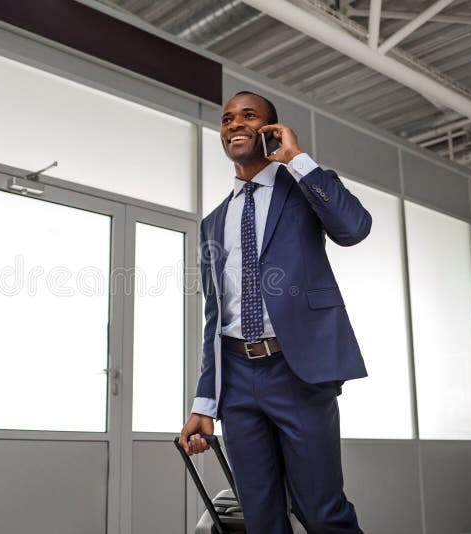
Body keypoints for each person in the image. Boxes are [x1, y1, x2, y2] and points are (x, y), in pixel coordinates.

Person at [179, 91, 371, 533]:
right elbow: (215, 317)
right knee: (261, 519)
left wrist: (298, 159)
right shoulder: (213, 222)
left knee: (322, 513)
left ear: (269, 129)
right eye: (227, 119)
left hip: (297, 371)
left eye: (249, 116)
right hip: (238, 382)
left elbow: (355, 227)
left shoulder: (303, 191)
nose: (234, 124)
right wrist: (204, 402)